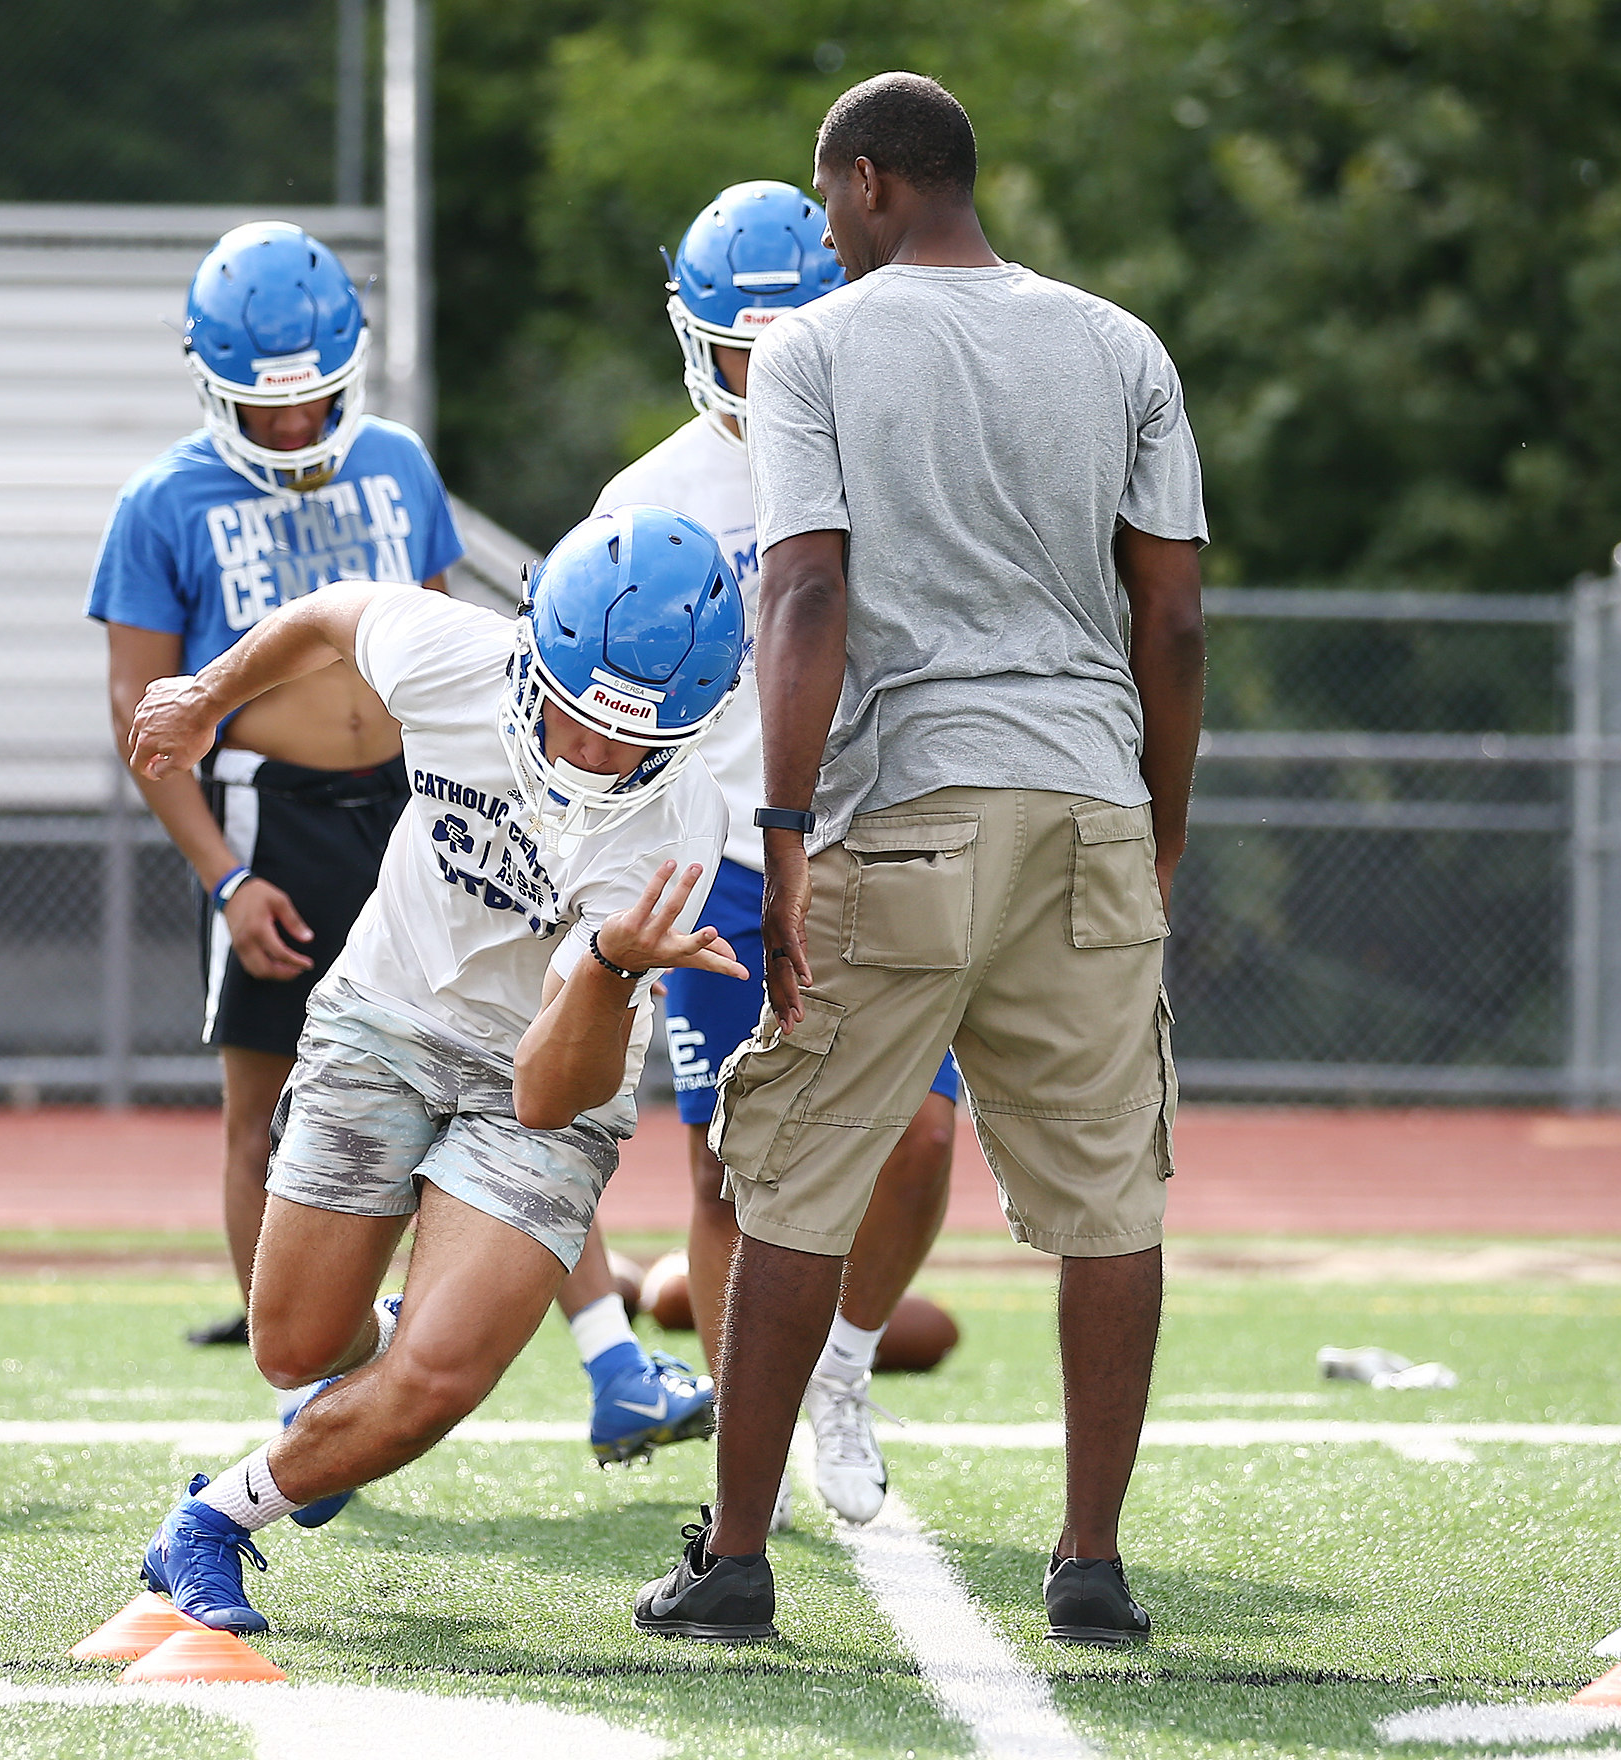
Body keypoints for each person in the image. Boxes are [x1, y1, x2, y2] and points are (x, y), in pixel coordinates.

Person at [634, 73, 1205, 1648]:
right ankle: (1091, 1566)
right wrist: (1156, 824)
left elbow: (805, 595)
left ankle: (734, 1560)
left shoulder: (821, 342)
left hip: (907, 806)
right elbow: (1172, 618)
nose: (827, 238)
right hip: (1089, 798)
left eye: (832, 207)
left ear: (875, 183)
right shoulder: (1120, 345)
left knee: (797, 1183)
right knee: (1109, 1202)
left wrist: (786, 831)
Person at [89, 222, 710, 1464]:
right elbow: (141, 711)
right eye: (268, 406)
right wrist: (223, 874)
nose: (294, 425)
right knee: (267, 1103)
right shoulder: (163, 500)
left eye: (316, 395)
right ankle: (307, 1376)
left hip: (428, 792)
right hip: (279, 807)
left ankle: (606, 1356)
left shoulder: (395, 462)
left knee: (521, 1046)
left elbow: (452, 632)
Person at [128, 506, 744, 1634]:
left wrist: (609, 962)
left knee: (439, 1375)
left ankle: (210, 1523)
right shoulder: (453, 654)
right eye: (575, 716)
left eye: (633, 737)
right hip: (386, 1012)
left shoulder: (681, 823)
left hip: (551, 1064)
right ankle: (404, 1320)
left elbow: (547, 1092)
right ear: (533, 656)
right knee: (296, 1345)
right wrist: (210, 693)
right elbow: (324, 616)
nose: (597, 755)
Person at [590, 178, 961, 1526]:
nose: (774, 373)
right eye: (748, 347)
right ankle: (754, 1441)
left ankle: (844, 1370)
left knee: (919, 1139)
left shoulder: (910, 464)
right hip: (723, 862)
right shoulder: (653, 496)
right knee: (719, 1168)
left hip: (881, 845)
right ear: (701, 343)